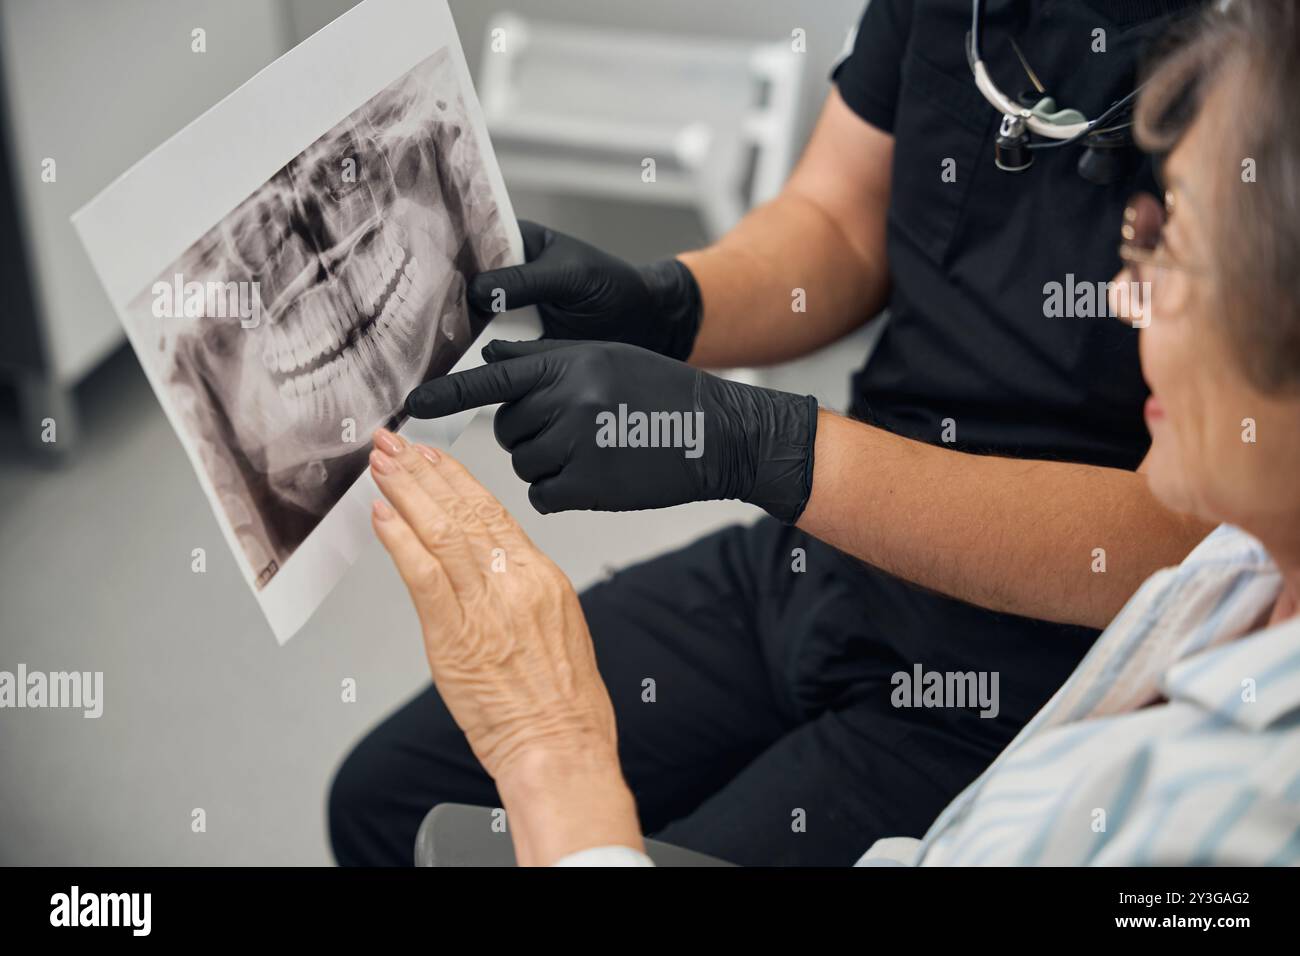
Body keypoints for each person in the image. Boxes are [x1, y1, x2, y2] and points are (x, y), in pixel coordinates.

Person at [357, 0, 1300, 865]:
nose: (1134, 297)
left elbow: (1205, 533)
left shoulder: (1260, 93)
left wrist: (763, 446)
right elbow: (842, 219)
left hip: (1020, 663)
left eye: (1165, 245)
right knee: (391, 806)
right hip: (830, 557)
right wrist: (669, 304)